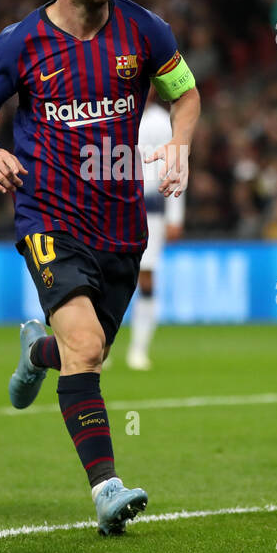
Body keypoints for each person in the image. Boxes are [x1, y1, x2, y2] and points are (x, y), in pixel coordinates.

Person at [0, 0, 201, 535]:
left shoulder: (146, 31)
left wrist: (179, 143)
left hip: (122, 226)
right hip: (49, 220)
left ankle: (33, 354)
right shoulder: (19, 43)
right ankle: (106, 491)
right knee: (87, 349)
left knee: (78, 354)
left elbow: (187, 93)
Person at [125, 98, 185, 371]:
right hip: (116, 205)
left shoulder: (160, 121)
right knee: (108, 274)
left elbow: (175, 162)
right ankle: (100, 344)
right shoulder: (114, 111)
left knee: (145, 275)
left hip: (151, 209)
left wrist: (175, 214)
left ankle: (139, 348)